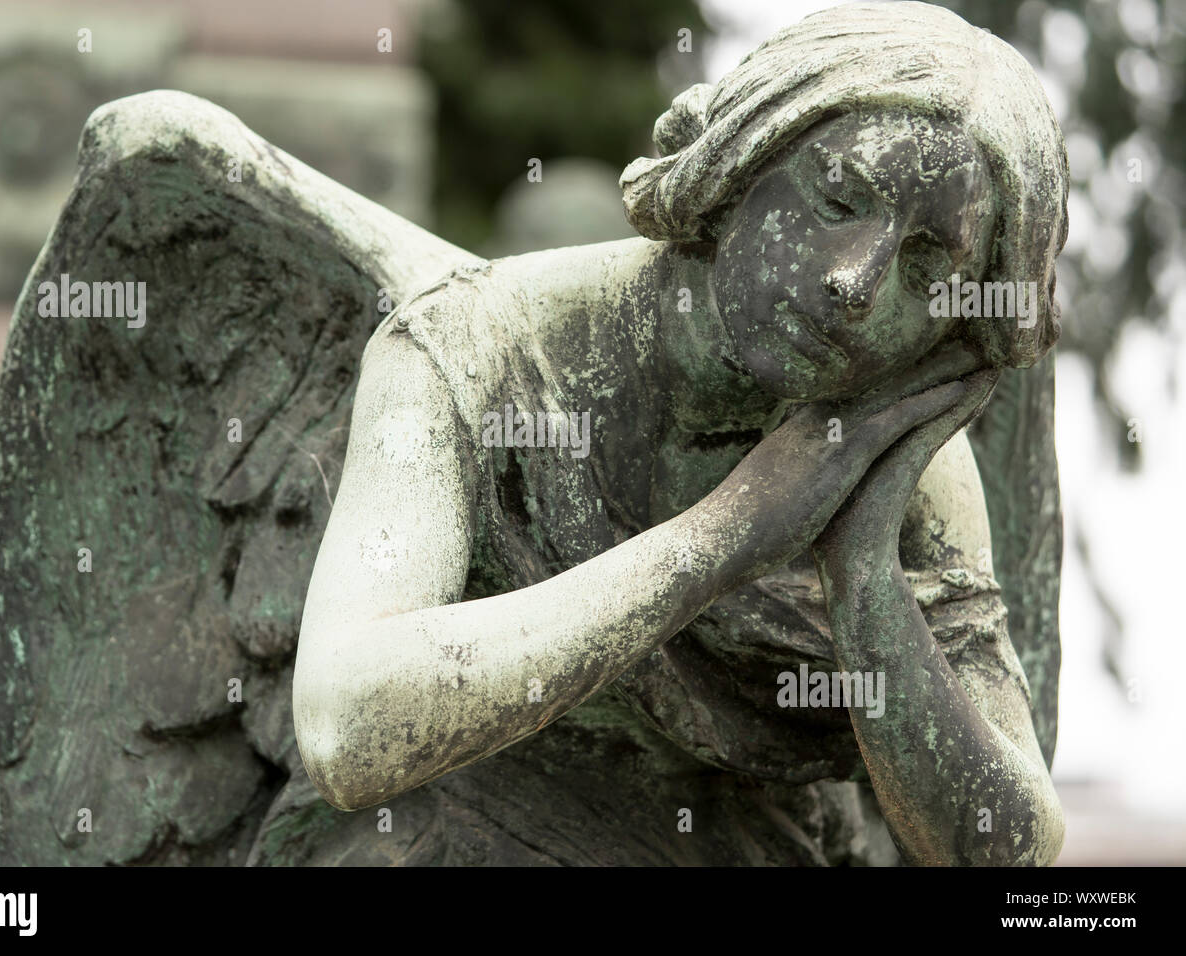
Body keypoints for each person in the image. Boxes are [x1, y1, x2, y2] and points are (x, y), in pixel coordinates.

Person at [293, 1, 1069, 865]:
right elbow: (346, 725)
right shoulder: (470, 350)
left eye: (928, 266)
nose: (858, 282)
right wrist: (730, 535)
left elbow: (1013, 858)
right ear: (742, 158)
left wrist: (864, 575)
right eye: (839, 195)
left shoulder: (909, 465)